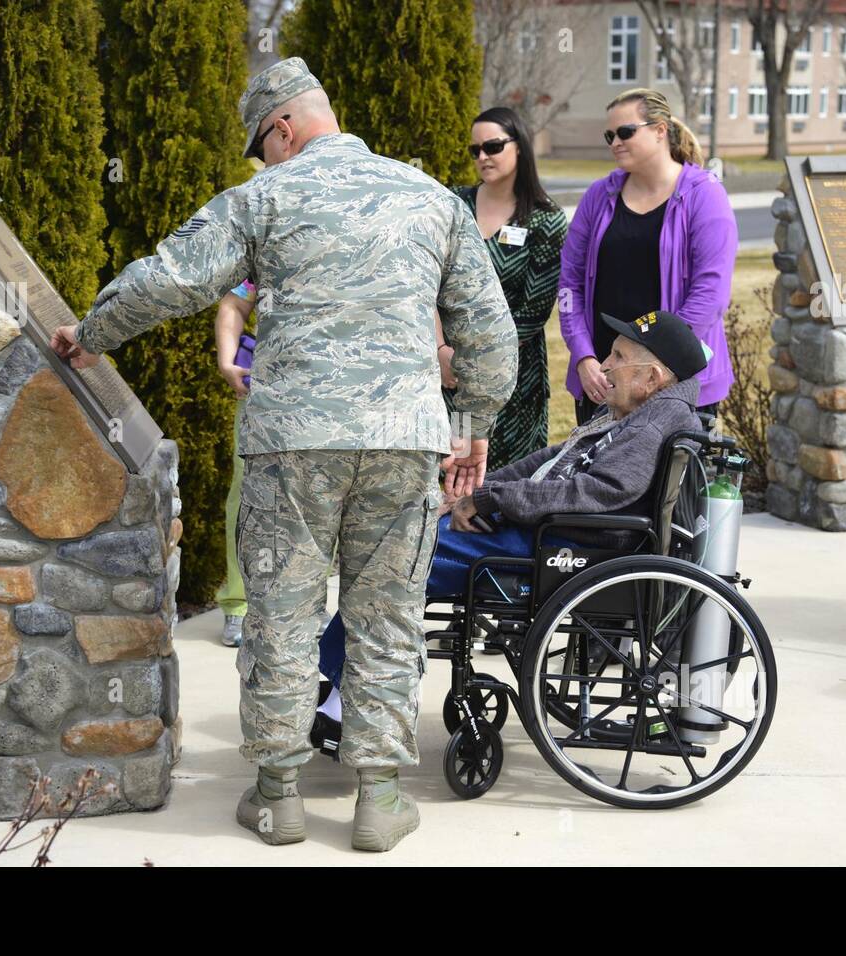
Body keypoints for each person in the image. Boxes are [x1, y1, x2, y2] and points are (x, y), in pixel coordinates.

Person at [49, 57, 517, 853]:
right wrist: (471, 419)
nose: (262, 159)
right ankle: (378, 800)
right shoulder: (433, 199)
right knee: (388, 619)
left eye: (261, 145)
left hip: (292, 443)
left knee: (282, 616)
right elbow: (493, 337)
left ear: (284, 127)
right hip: (403, 441)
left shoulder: (264, 197)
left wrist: (90, 336)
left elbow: (170, 279)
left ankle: (277, 798)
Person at [318, 309, 710, 687]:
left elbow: (597, 492)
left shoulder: (652, 423)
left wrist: (493, 500)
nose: (604, 365)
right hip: (550, 535)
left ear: (653, 378)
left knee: (400, 556)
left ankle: (339, 685)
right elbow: (553, 458)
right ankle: (343, 679)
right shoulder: (637, 410)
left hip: (564, 546)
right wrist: (474, 494)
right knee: (403, 542)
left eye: (618, 357)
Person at [559, 88, 737, 425]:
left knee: (670, 480)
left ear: (660, 130)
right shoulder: (599, 195)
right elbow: (569, 284)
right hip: (602, 380)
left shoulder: (704, 195)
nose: (615, 142)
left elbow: (711, 293)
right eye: (609, 135)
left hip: (676, 381)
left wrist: (655, 367)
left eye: (625, 132)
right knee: (597, 478)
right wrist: (583, 356)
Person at [437, 107, 568, 472]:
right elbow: (430, 287)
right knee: (454, 463)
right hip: (449, 370)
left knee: (507, 476)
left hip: (514, 372)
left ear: (520, 146)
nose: (482, 157)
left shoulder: (545, 218)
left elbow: (534, 310)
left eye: (492, 146)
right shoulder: (453, 205)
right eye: (474, 150)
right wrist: (442, 352)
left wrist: (481, 360)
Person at [214, 280, 257, 647]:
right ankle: (239, 604)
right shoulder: (270, 234)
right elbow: (236, 303)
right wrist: (227, 358)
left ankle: (312, 599)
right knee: (248, 493)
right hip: (264, 390)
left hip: (338, 393)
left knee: (321, 493)